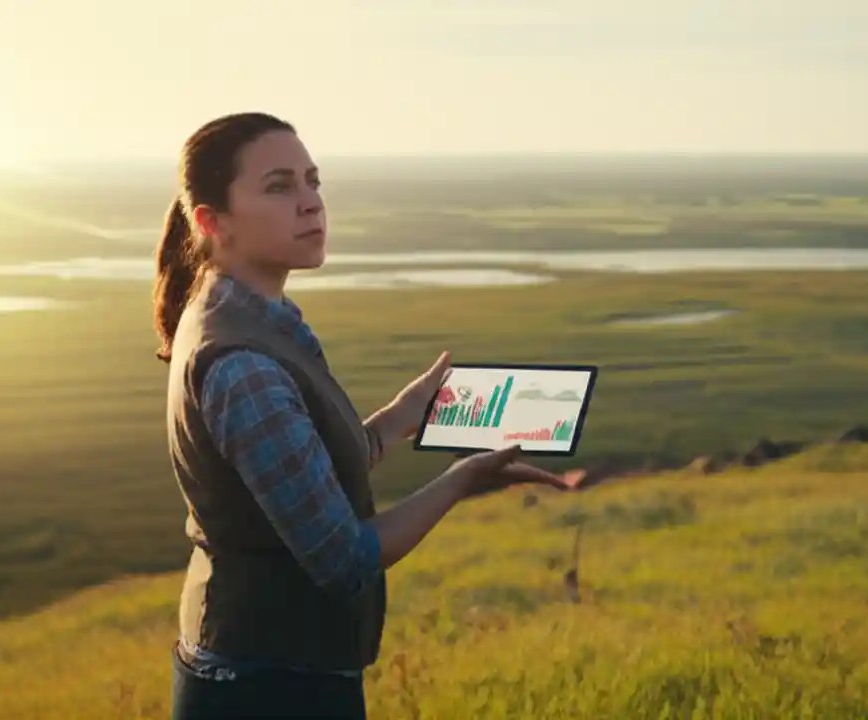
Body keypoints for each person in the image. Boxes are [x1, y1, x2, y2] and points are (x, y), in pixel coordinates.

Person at [154, 111, 575, 719]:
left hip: (267, 669)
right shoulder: (243, 364)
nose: (310, 203)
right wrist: (462, 480)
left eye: (313, 181)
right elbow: (344, 556)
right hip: (266, 687)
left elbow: (303, 478)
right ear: (211, 222)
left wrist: (399, 418)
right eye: (279, 186)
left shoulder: (253, 318)